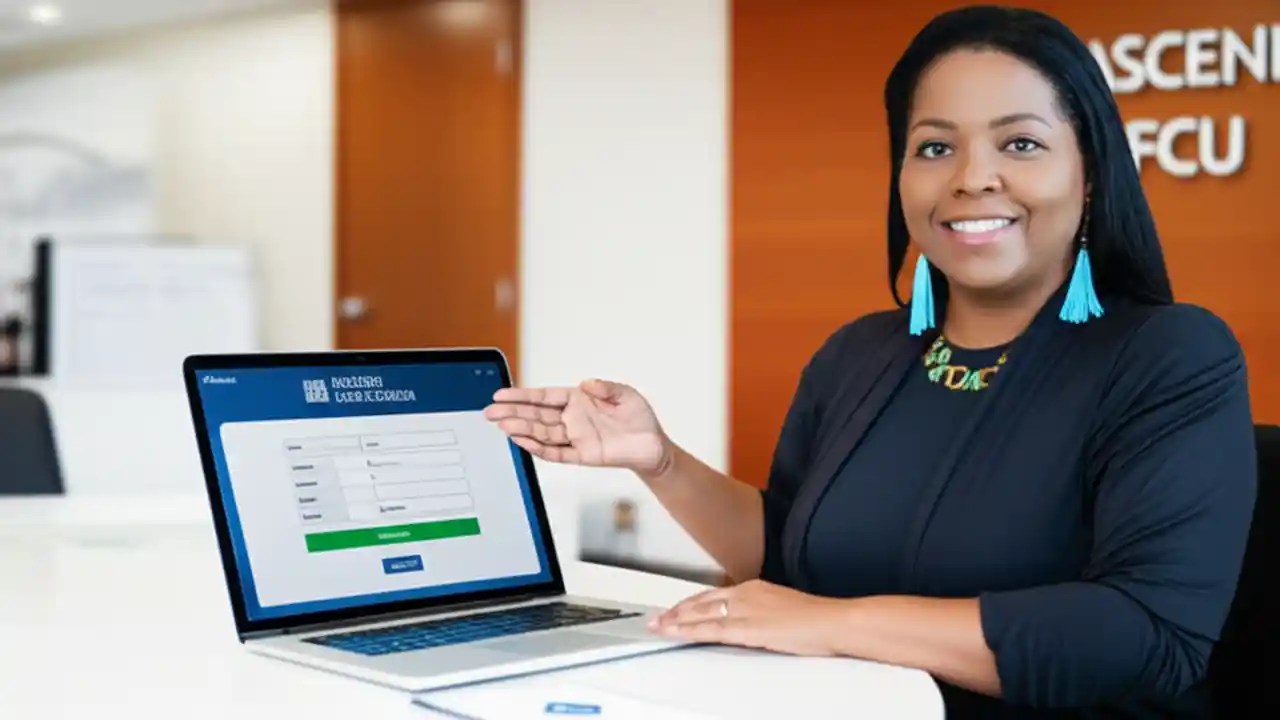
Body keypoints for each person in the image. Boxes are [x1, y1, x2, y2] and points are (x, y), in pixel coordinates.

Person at [484, 6, 1256, 718]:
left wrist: (833, 624)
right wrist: (658, 461)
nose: (971, 177)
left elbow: (1144, 637)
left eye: (1020, 142)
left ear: (1088, 175)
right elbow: (787, 554)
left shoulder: (1169, 356)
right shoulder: (858, 354)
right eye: (934, 146)